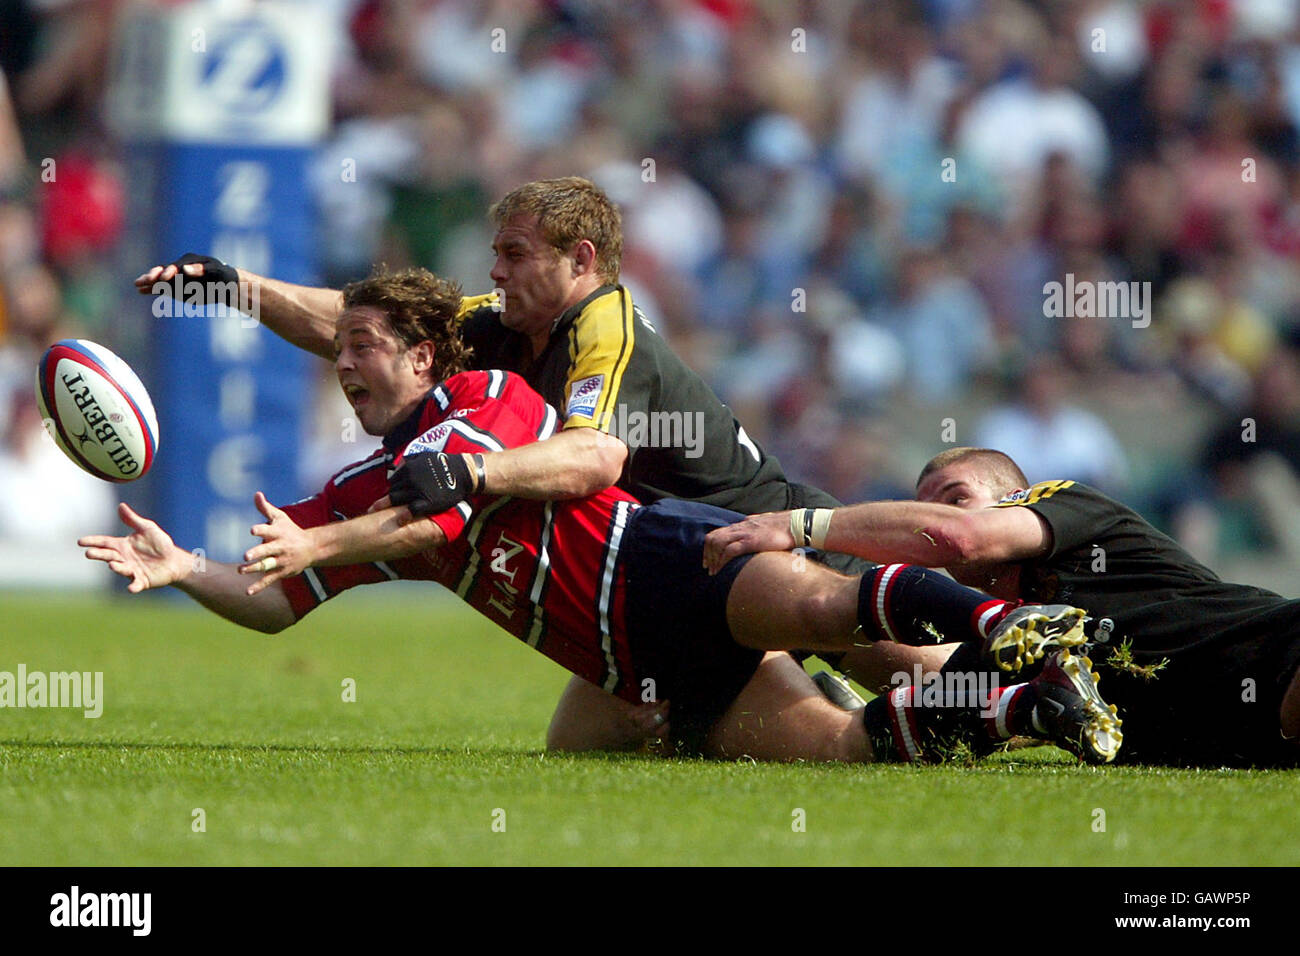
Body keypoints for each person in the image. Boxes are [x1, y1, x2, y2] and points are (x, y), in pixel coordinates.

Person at [90, 269, 1120, 764]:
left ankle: (1014, 629)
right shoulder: (354, 484)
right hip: (625, 656)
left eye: (364, 346)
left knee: (828, 611)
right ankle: (1028, 709)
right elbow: (275, 604)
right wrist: (184, 568)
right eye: (340, 348)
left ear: (421, 356)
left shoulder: (478, 399)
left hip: (661, 560)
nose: (345, 363)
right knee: (837, 749)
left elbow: (437, 516)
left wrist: (319, 539)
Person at [133, 176, 890, 752]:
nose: (494, 272)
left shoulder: (605, 329)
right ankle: (783, 705)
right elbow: (364, 326)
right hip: (664, 582)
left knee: (927, 669)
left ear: (580, 259)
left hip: (770, 537)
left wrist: (467, 476)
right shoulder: (497, 330)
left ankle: (992, 668)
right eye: (495, 253)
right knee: (588, 745)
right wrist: (237, 288)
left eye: (513, 254)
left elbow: (592, 456)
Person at [703, 446, 1300, 768]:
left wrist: (801, 526)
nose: (940, 520)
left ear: (1012, 495)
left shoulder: (1074, 508)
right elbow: (921, 717)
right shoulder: (1000, 648)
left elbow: (965, 537)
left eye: (956, 498)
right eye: (926, 509)